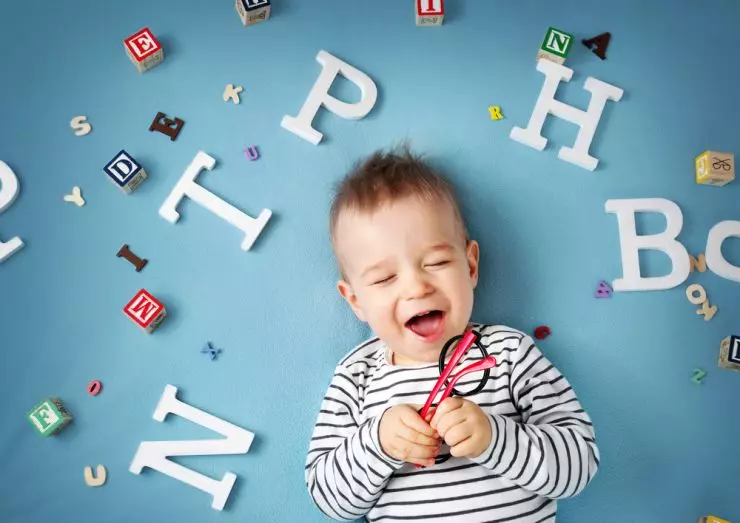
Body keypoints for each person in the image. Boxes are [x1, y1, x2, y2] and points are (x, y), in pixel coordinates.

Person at [305, 146, 599, 522]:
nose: (416, 288)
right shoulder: (356, 376)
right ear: (355, 301)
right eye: (385, 278)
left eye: (437, 263)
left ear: (471, 265)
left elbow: (580, 464)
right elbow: (330, 502)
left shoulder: (509, 354)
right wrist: (377, 442)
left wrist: (495, 438)